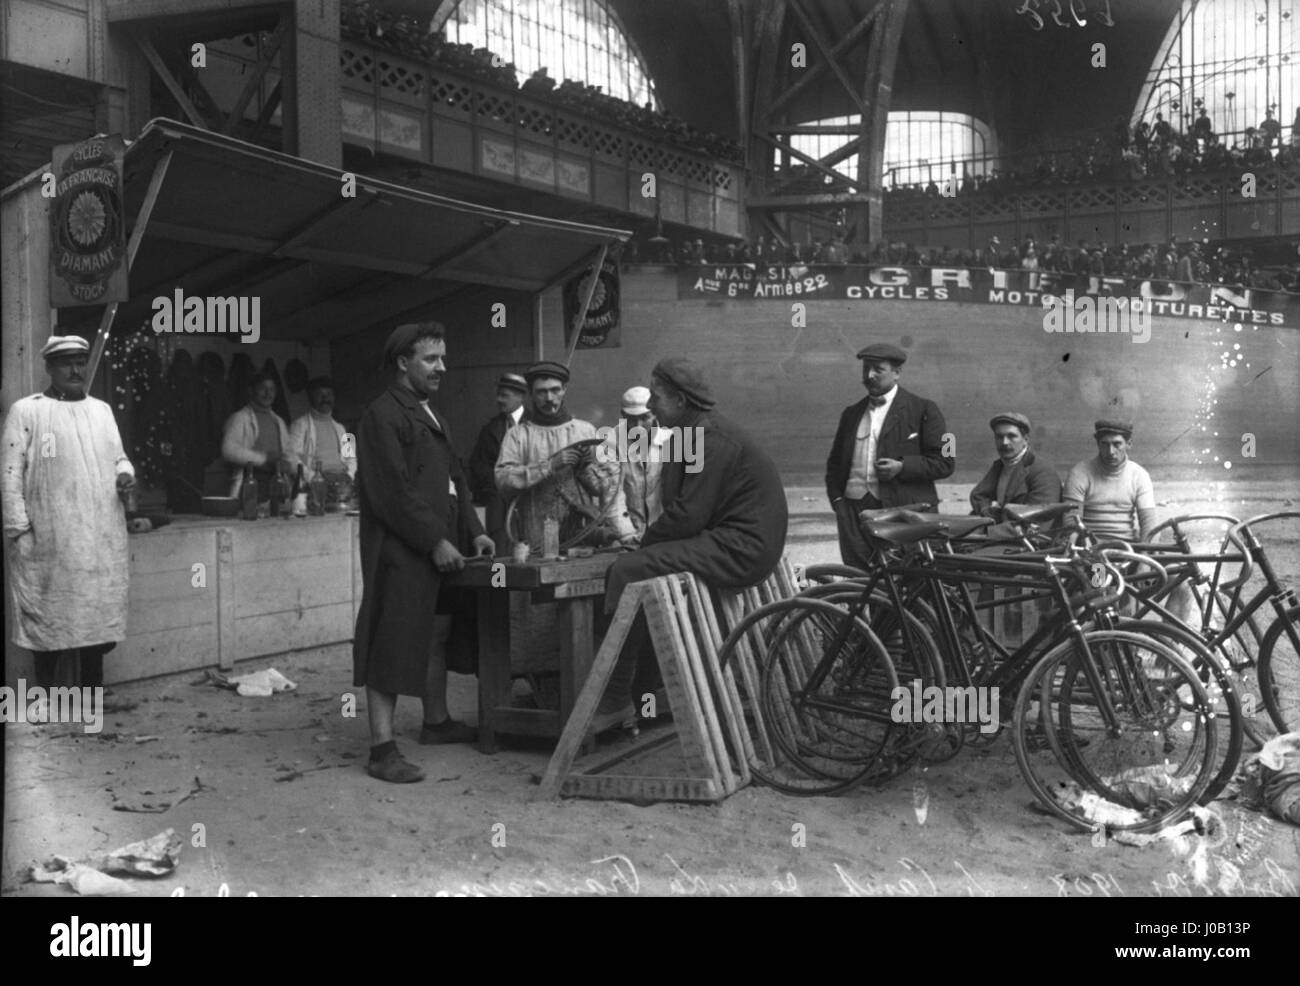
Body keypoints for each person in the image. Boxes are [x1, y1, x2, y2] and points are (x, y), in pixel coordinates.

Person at [599, 358, 789, 717]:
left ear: (681, 402)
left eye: (656, 398)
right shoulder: (696, 433)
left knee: (626, 570)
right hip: (734, 540)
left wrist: (644, 542)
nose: (651, 406)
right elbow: (683, 510)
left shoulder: (705, 438)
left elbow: (688, 516)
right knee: (645, 570)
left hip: (741, 548)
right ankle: (646, 692)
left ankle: (615, 693)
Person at [352, 322, 494, 783]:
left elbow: (457, 479)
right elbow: (390, 492)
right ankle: (381, 749)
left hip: (444, 543)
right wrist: (435, 540)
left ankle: (435, 721)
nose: (442, 368)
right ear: (402, 363)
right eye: (431, 359)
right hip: (402, 548)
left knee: (438, 631)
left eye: (443, 359)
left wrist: (474, 530)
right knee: (391, 639)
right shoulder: (382, 415)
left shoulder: (432, 414)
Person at [2, 335, 135, 693]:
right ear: (49, 367)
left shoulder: (102, 411)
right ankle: (45, 695)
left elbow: (118, 456)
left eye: (81, 361)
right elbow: (10, 473)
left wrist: (125, 474)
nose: (76, 369)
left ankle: (92, 694)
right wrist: (19, 530)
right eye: (66, 362)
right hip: (49, 537)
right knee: (48, 616)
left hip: (97, 532)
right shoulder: (27, 411)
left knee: (94, 615)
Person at [825, 343, 954, 569]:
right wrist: (838, 502)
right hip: (853, 513)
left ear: (897, 373)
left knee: (910, 580)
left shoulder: (926, 409)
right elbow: (834, 465)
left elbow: (946, 462)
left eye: (878, 369)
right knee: (860, 581)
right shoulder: (851, 413)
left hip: (903, 513)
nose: (869, 375)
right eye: (865, 368)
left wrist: (902, 467)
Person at [494, 360, 635, 547]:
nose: (549, 398)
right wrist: (549, 466)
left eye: (555, 390)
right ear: (531, 394)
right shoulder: (518, 435)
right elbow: (503, 480)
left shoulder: (585, 431)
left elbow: (607, 488)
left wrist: (585, 468)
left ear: (565, 390)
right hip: (536, 533)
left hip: (583, 531)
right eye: (541, 392)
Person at [969, 412, 1062, 536]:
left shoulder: (1043, 472)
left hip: (1032, 543)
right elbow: (978, 496)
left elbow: (1037, 524)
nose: (1005, 442)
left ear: (1026, 439)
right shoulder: (1001, 466)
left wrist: (987, 533)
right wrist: (988, 511)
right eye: (999, 437)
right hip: (1005, 535)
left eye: (1011, 436)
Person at [1063, 419, 1156, 542]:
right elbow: (1072, 523)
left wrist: (1145, 557)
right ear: (1098, 444)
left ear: (1129, 444)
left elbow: (1149, 524)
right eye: (1105, 444)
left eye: (1117, 444)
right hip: (1090, 548)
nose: (1111, 452)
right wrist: (1085, 546)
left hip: (1128, 549)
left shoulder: (1139, 475)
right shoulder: (1079, 473)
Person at [466, 372, 527, 548]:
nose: (499, 400)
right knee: (498, 557)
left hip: (530, 502)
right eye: (498, 395)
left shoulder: (536, 426)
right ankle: (498, 577)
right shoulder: (490, 429)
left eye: (504, 395)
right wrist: (499, 484)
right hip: (498, 506)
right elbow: (477, 467)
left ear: (520, 396)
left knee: (532, 554)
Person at [220, 371, 292, 501]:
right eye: (262, 388)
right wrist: (264, 458)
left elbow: (289, 453)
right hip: (251, 482)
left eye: (272, 389)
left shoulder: (279, 421)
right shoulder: (240, 418)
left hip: (277, 482)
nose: (268, 393)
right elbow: (228, 450)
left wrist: (288, 464)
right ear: (251, 390)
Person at [611, 385, 666, 539]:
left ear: (655, 413)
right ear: (623, 415)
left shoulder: (671, 440)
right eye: (632, 419)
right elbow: (612, 496)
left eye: (644, 418)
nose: (638, 426)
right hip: (626, 531)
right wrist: (627, 534)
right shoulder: (610, 442)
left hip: (664, 532)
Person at [287, 376, 356, 483]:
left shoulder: (340, 428)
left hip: (341, 481)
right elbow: (291, 459)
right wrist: (315, 478)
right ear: (311, 398)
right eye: (320, 394)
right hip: (317, 483)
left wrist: (349, 475)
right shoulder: (299, 425)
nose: (325, 399)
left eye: (329, 394)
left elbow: (351, 458)